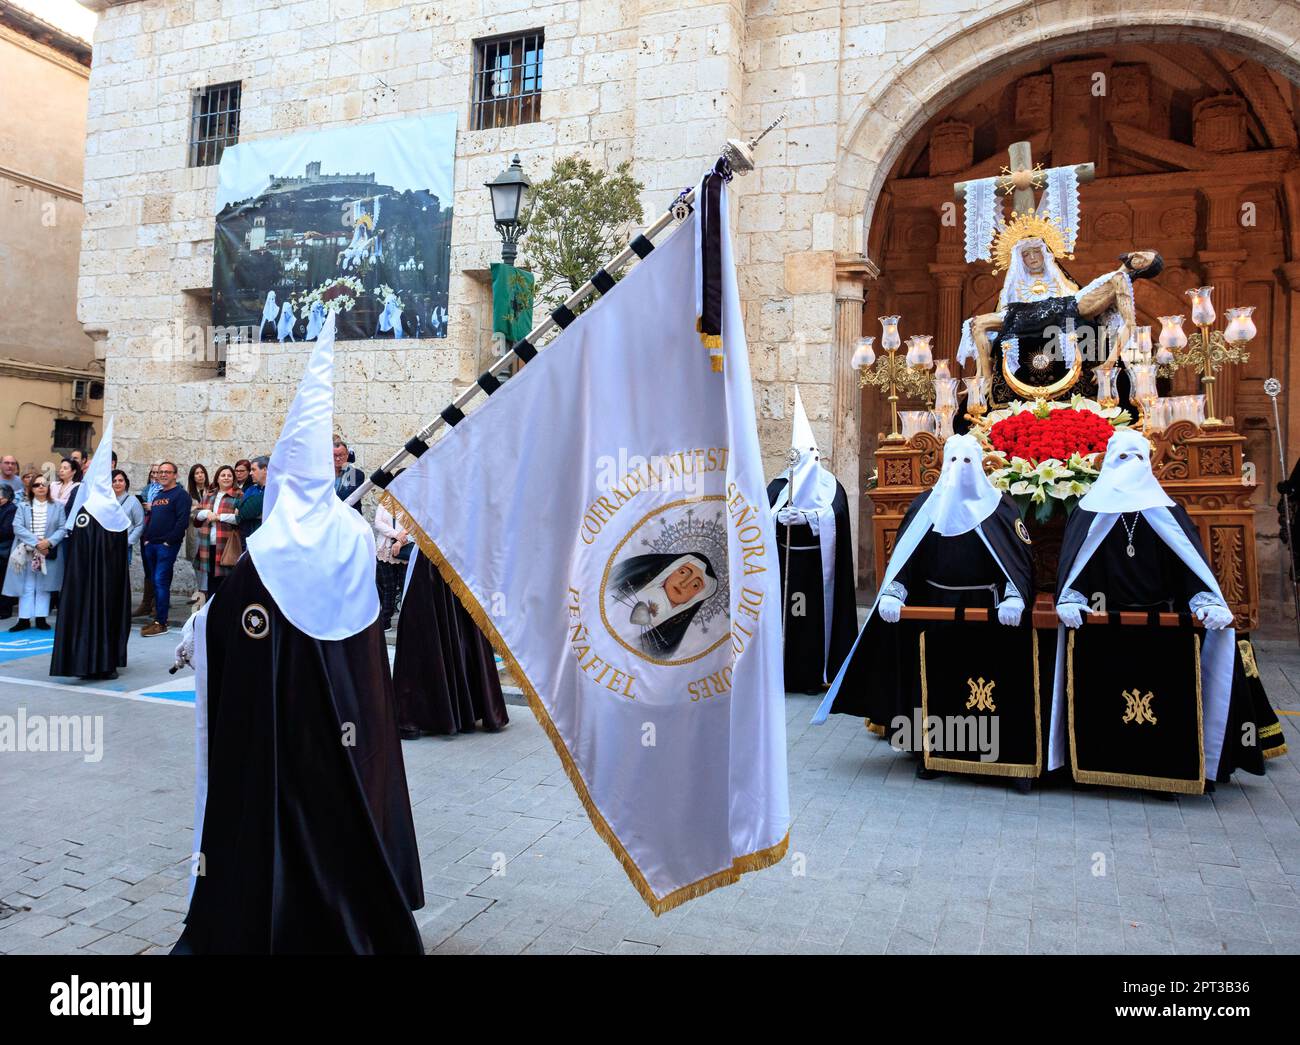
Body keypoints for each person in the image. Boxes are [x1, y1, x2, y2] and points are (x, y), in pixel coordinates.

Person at [170, 313, 423, 954]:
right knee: (350, 809)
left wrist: (197, 630)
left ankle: (281, 912)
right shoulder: (354, 534)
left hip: (289, 729)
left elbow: (232, 624)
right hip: (352, 720)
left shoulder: (276, 546)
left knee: (291, 814)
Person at [1051, 428, 1284, 793]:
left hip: (1162, 624)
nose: (1130, 467)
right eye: (1122, 459)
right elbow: (1076, 565)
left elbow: (1188, 565)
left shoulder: (1168, 511)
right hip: (1103, 627)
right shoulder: (1087, 511)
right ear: (1108, 462)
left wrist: (1205, 599)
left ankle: (1165, 769)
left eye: (1137, 458)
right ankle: (1100, 764)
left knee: (1162, 708)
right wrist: (1071, 597)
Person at [813, 433, 1038, 783]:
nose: (958, 469)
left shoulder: (1001, 507)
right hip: (934, 613)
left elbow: (1018, 560)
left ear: (979, 465)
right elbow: (907, 556)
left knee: (991, 685)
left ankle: (999, 754)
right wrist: (895, 590)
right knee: (935, 684)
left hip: (988, 615)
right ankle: (934, 752)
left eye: (966, 462)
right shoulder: (924, 507)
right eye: (952, 461)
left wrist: (1015, 594)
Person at [767, 387, 857, 694]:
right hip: (785, 569)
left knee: (809, 622)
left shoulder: (832, 485)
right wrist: (775, 518)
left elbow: (838, 514)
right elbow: (758, 517)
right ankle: (783, 672)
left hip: (817, 574)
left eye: (814, 456)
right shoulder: (779, 484)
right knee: (788, 622)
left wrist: (808, 519)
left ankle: (814, 675)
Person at [393, 546, 508, 739]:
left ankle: (448, 712)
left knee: (431, 630)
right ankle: (464, 711)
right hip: (457, 557)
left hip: (437, 559)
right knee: (458, 629)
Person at [51, 419, 131, 680]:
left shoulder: (84, 509)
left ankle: (86, 662)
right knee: (101, 616)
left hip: (86, 580)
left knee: (87, 616)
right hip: (105, 581)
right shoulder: (106, 508)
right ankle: (101, 663)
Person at [2, 474, 67, 631]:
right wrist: (37, 543)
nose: (40, 487)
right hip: (26, 551)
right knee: (26, 585)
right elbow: (17, 527)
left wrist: (48, 542)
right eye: (36, 485)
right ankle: (23, 619)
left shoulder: (57, 506)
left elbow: (63, 527)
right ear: (31, 488)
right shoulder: (23, 506)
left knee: (43, 585)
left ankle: (40, 618)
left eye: (44, 484)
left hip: (47, 552)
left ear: (48, 487)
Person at [140, 461, 191, 637]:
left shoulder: (181, 495)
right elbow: (151, 519)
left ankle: (161, 623)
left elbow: (182, 522)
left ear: (175, 475)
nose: (163, 475)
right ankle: (157, 619)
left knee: (161, 581)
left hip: (165, 547)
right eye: (160, 472)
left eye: (167, 472)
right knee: (156, 582)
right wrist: (146, 539)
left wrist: (169, 542)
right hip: (151, 544)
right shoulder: (159, 494)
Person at [193, 465, 242, 599]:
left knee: (227, 582)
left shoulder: (239, 495)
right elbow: (195, 516)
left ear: (233, 479)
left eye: (229, 475)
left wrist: (219, 516)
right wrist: (205, 513)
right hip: (208, 544)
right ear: (217, 478)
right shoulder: (208, 495)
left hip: (226, 545)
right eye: (223, 475)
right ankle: (211, 613)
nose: (226, 478)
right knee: (211, 581)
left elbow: (240, 518)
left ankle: (225, 614)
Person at [373, 486, 412, 630]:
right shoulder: (385, 501)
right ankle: (385, 620)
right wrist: (397, 536)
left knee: (404, 587)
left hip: (404, 551)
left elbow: (414, 525)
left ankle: (407, 621)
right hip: (385, 550)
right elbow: (378, 523)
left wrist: (400, 542)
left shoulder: (412, 502)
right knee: (388, 587)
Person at [133, 464, 162, 619]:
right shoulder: (146, 491)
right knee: (148, 569)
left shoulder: (171, 491)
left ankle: (158, 604)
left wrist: (153, 507)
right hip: (146, 533)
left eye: (159, 472)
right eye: (153, 472)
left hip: (162, 536)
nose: (156, 475)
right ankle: (146, 603)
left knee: (160, 571)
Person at [185, 464, 211, 592]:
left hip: (209, 530)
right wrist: (196, 509)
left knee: (207, 560)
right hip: (194, 531)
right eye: (196, 473)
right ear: (192, 477)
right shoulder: (188, 493)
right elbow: (184, 512)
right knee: (196, 561)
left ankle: (206, 591)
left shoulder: (212, 490)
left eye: (202, 472)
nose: (200, 475)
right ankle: (200, 590)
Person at [113, 469, 144, 562]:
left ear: (126, 483)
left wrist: (127, 542)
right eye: (114, 481)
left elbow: (140, 525)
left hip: (123, 548)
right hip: (105, 545)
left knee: (121, 576)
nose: (117, 483)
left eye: (120, 480)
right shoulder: (106, 502)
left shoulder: (133, 501)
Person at [237, 456, 267, 539]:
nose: (250, 473)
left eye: (253, 469)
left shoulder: (275, 490)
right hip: (250, 537)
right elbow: (242, 512)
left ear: (264, 469)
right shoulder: (251, 489)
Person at [333, 437, 364, 507]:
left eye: (341, 455)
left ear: (347, 455)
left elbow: (349, 494)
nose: (337, 459)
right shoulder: (324, 474)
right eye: (334, 455)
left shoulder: (354, 473)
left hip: (348, 513)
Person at [0, 487, 16, 619]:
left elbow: (6, 531)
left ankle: (5, 610)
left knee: (3, 581)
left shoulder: (11, 509)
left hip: (4, 550)